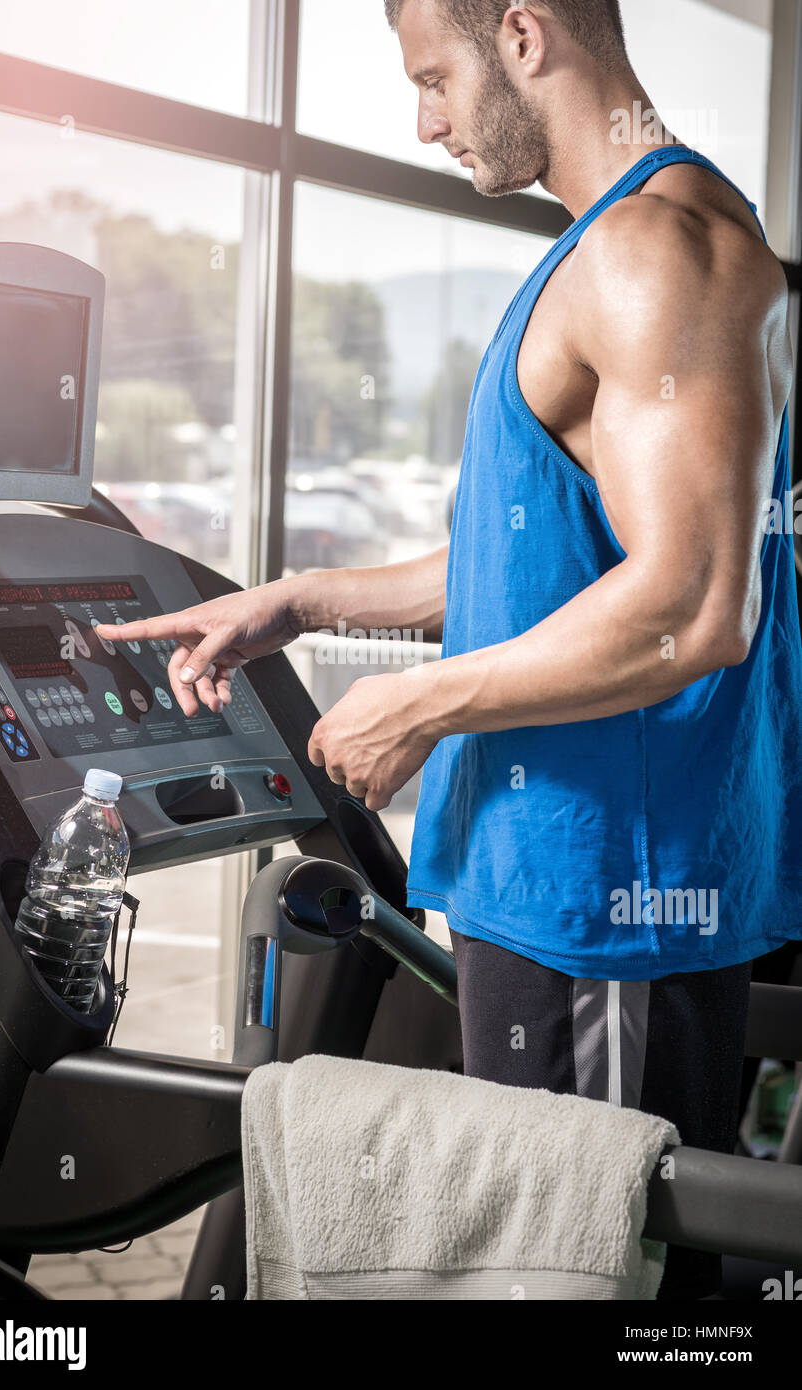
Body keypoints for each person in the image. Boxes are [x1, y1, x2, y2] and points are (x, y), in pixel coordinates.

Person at [97, 0, 801, 1300]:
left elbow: (694, 600)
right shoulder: (615, 249)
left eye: (434, 77)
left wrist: (416, 703)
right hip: (548, 889)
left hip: (606, 911)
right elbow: (539, 565)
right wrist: (302, 600)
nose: (423, 119)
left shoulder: (662, 249)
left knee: (593, 1277)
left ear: (524, 32)